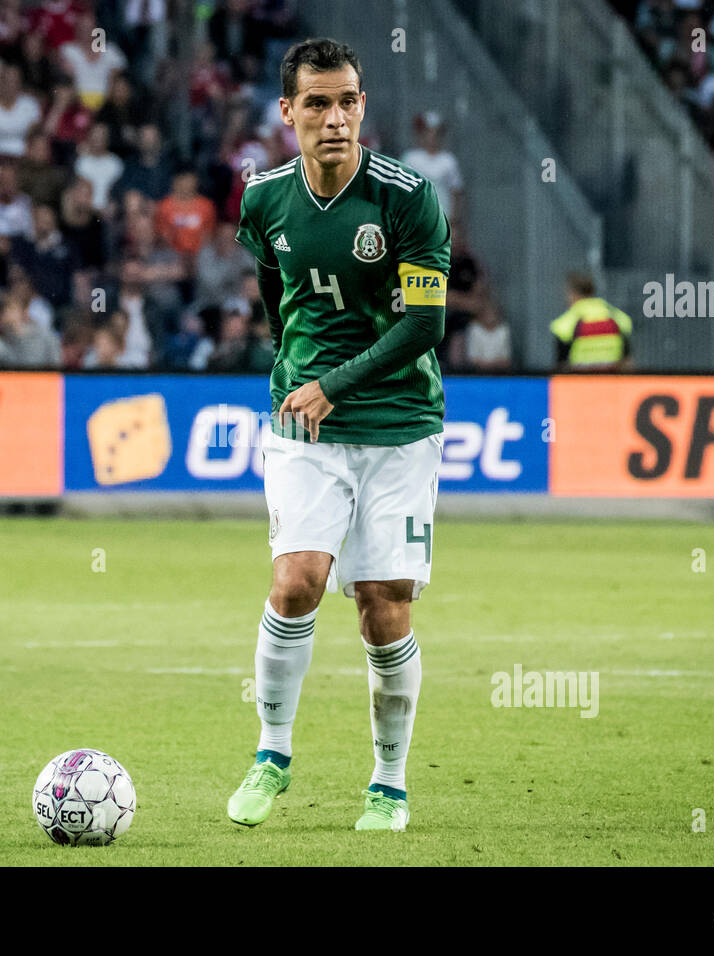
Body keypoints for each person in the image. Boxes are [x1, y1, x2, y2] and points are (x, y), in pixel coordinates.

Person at [226, 38, 450, 833]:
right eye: (316, 103)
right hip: (302, 423)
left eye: (347, 100)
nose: (334, 117)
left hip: (397, 427)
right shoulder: (262, 200)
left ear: (363, 106)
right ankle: (271, 754)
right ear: (286, 112)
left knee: (382, 606)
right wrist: (299, 377)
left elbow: (425, 323)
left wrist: (335, 382)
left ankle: (388, 783)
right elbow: (271, 288)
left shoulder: (409, 198)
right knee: (297, 582)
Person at [550, 272, 633, 371]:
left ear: (572, 294)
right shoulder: (614, 315)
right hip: (612, 380)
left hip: (581, 381)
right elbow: (627, 359)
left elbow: (561, 364)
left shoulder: (568, 321)